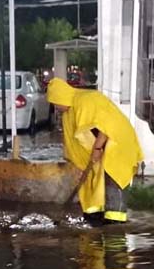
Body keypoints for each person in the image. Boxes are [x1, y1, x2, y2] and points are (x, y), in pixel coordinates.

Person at [46, 77, 143, 224]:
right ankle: (95, 217)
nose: (56, 108)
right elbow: (75, 141)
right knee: (93, 181)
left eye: (55, 103)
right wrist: (80, 163)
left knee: (114, 179)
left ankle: (115, 223)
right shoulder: (69, 113)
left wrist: (97, 147)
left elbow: (107, 125)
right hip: (102, 146)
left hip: (117, 142)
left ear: (61, 96)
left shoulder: (87, 100)